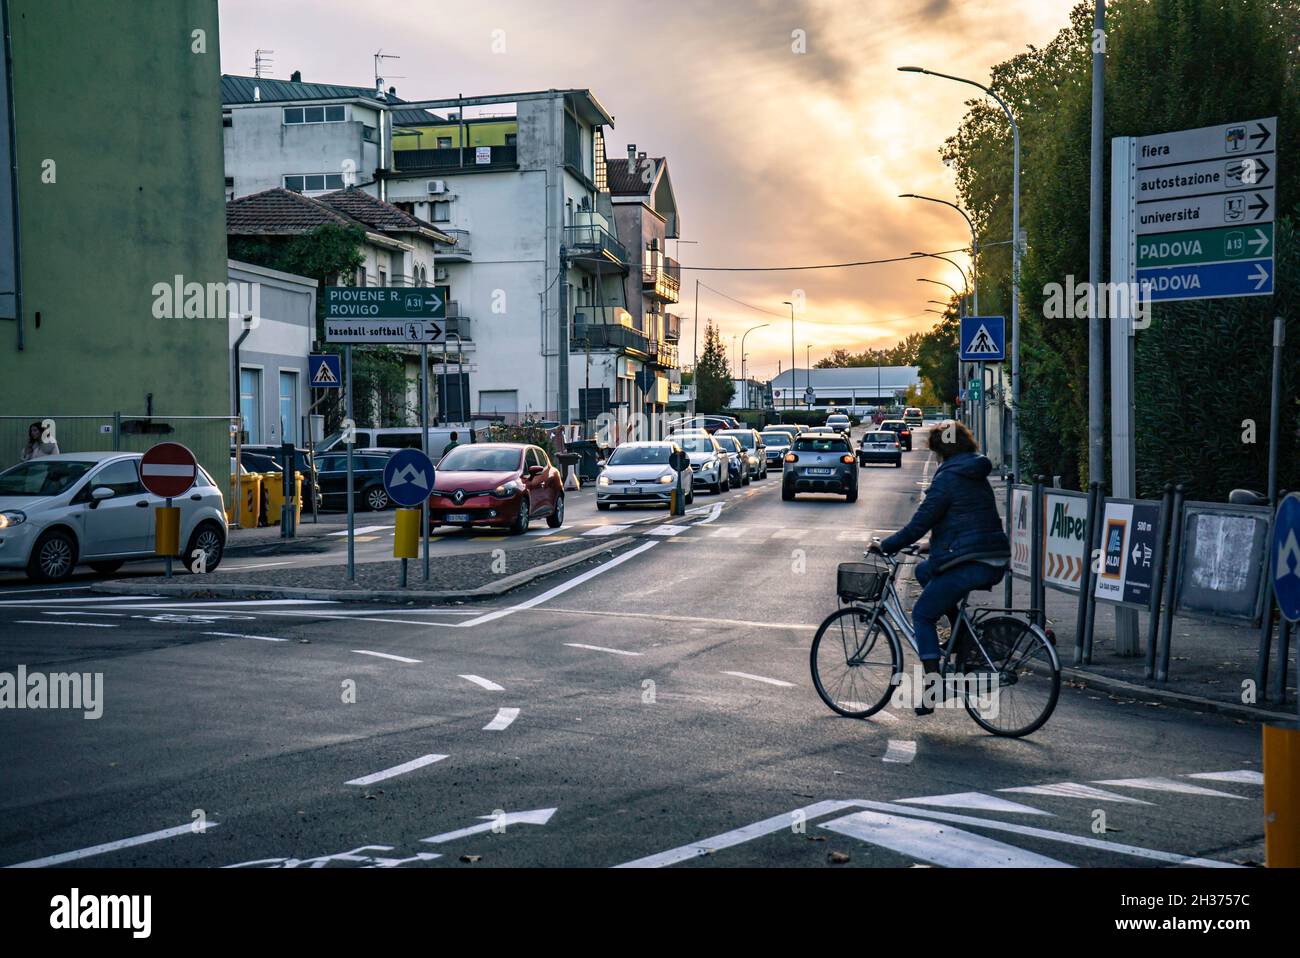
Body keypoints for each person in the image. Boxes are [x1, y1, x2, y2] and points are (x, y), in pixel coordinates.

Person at [873, 420, 1009, 715]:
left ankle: (934, 687)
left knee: (922, 613)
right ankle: (963, 639)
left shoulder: (948, 477)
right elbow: (965, 518)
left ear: (941, 450)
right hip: (989, 555)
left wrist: (887, 545)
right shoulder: (974, 470)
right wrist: (927, 546)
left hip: (971, 561)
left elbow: (921, 520)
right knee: (923, 572)